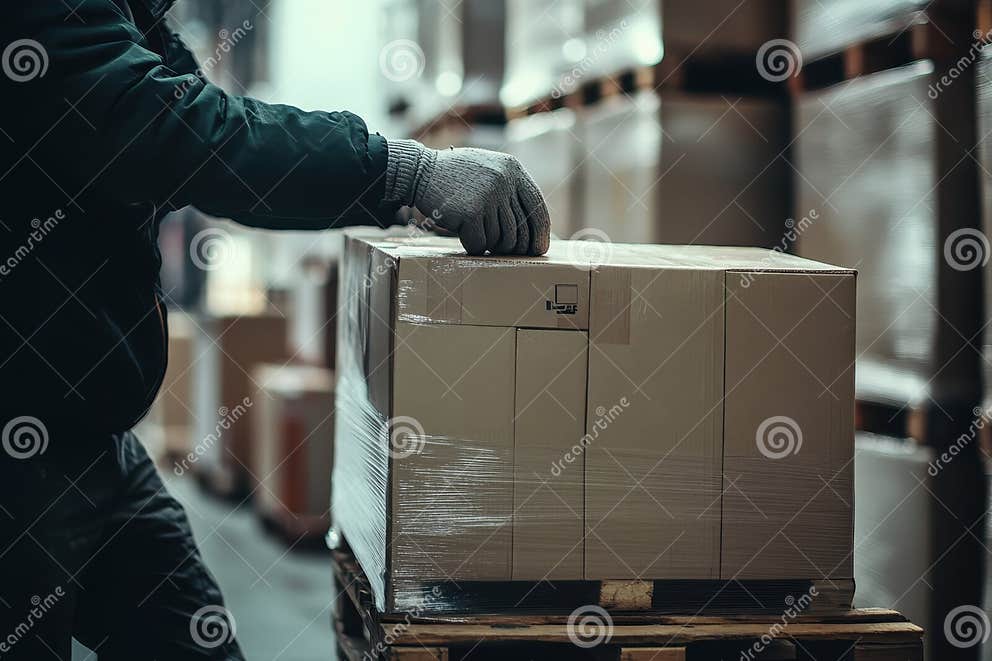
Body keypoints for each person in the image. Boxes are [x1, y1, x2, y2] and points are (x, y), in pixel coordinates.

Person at [0, 0, 550, 658]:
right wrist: (405, 173)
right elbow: (178, 132)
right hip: (21, 449)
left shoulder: (127, 13)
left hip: (93, 434)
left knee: (191, 640)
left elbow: (194, 109)